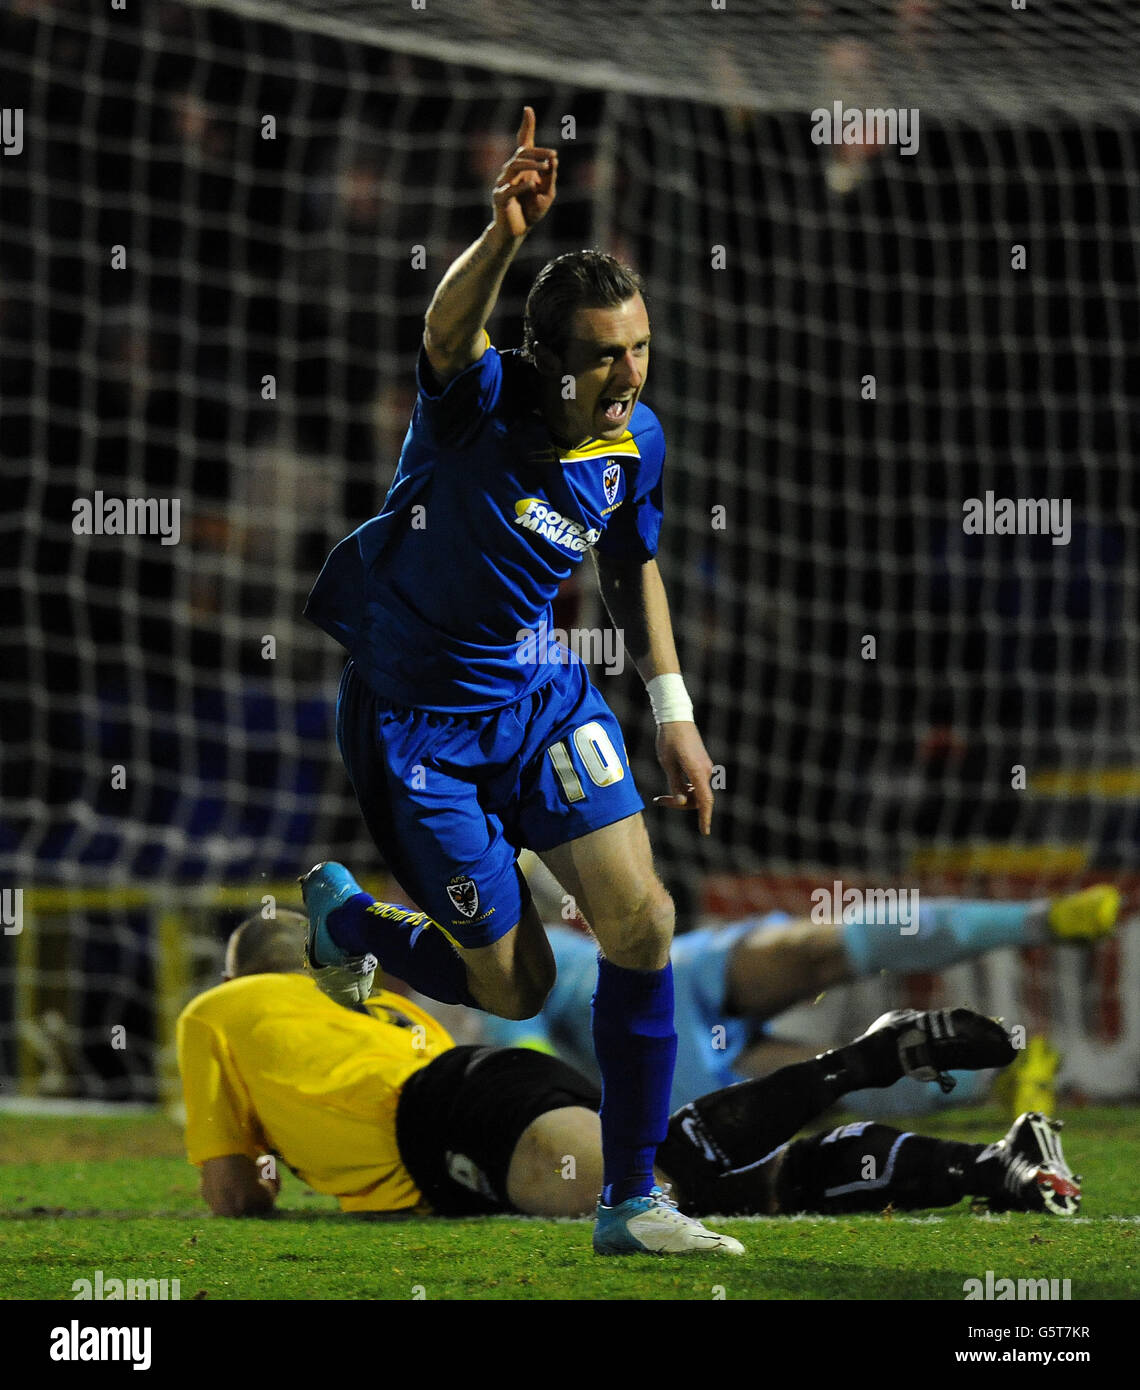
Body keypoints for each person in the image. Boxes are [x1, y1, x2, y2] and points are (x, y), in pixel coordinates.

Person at [302, 105, 723, 1254]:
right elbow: (444, 331)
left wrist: (675, 715)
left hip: (541, 696)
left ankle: (630, 1201)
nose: (629, 374)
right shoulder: (476, 403)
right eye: (605, 354)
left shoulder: (637, 442)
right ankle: (350, 922)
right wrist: (502, 236)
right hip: (415, 726)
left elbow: (632, 565)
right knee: (517, 989)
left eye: (640, 347)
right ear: (548, 358)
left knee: (644, 921)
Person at [175, 912, 1081, 1232]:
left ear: (237, 976)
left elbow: (229, 1193)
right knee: (742, 1191)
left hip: (452, 1120)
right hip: (490, 1093)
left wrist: (264, 1171)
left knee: (658, 1185)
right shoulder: (381, 1007)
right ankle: (992, 1168)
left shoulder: (215, 1011)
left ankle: (866, 1057)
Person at [478, 875, 1121, 1114]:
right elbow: (527, 1060)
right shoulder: (503, 977)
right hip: (660, 1067)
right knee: (829, 1078)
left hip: (678, 972)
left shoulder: (552, 939)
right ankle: (999, 1079)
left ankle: (1042, 919)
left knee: (819, 948)